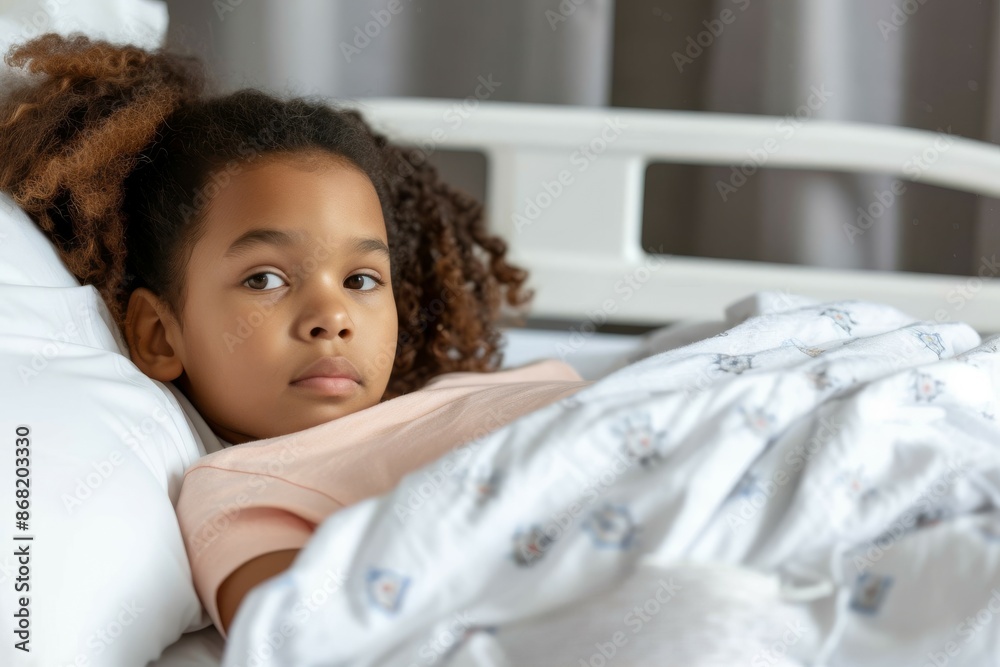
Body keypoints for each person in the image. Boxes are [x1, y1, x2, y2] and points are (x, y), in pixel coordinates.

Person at [0, 33, 592, 636]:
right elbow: (302, 636)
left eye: (361, 279)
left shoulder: (469, 391)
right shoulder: (243, 494)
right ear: (159, 335)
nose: (331, 316)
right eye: (264, 278)